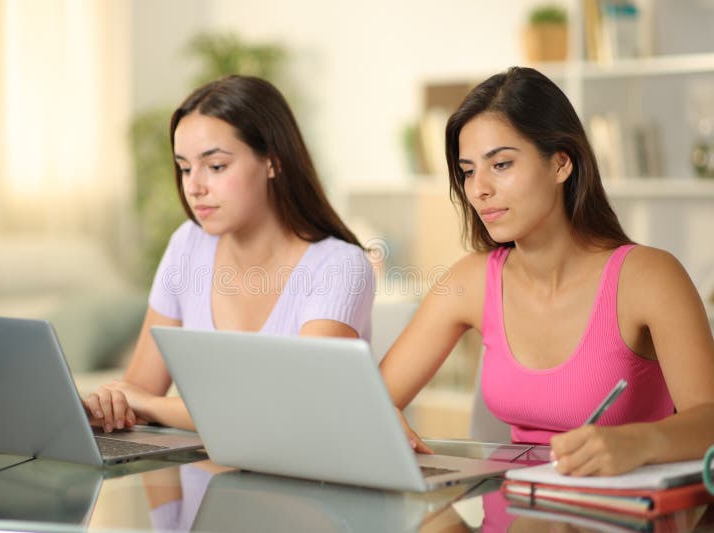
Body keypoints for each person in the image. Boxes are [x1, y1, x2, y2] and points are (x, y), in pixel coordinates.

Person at [380, 66, 714, 477]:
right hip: (518, 507)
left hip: (625, 509)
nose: (479, 188)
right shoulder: (470, 281)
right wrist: (378, 419)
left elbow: (709, 419)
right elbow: (374, 399)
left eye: (500, 164)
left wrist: (638, 442)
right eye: (468, 171)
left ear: (560, 164)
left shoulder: (648, 277)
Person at [85, 75, 374, 432]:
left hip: (304, 483)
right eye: (185, 168)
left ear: (273, 161)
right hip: (204, 475)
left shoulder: (339, 267)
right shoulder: (187, 246)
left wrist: (150, 405)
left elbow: (291, 410)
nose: (194, 187)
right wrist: (111, 404)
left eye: (216, 166)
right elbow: (138, 392)